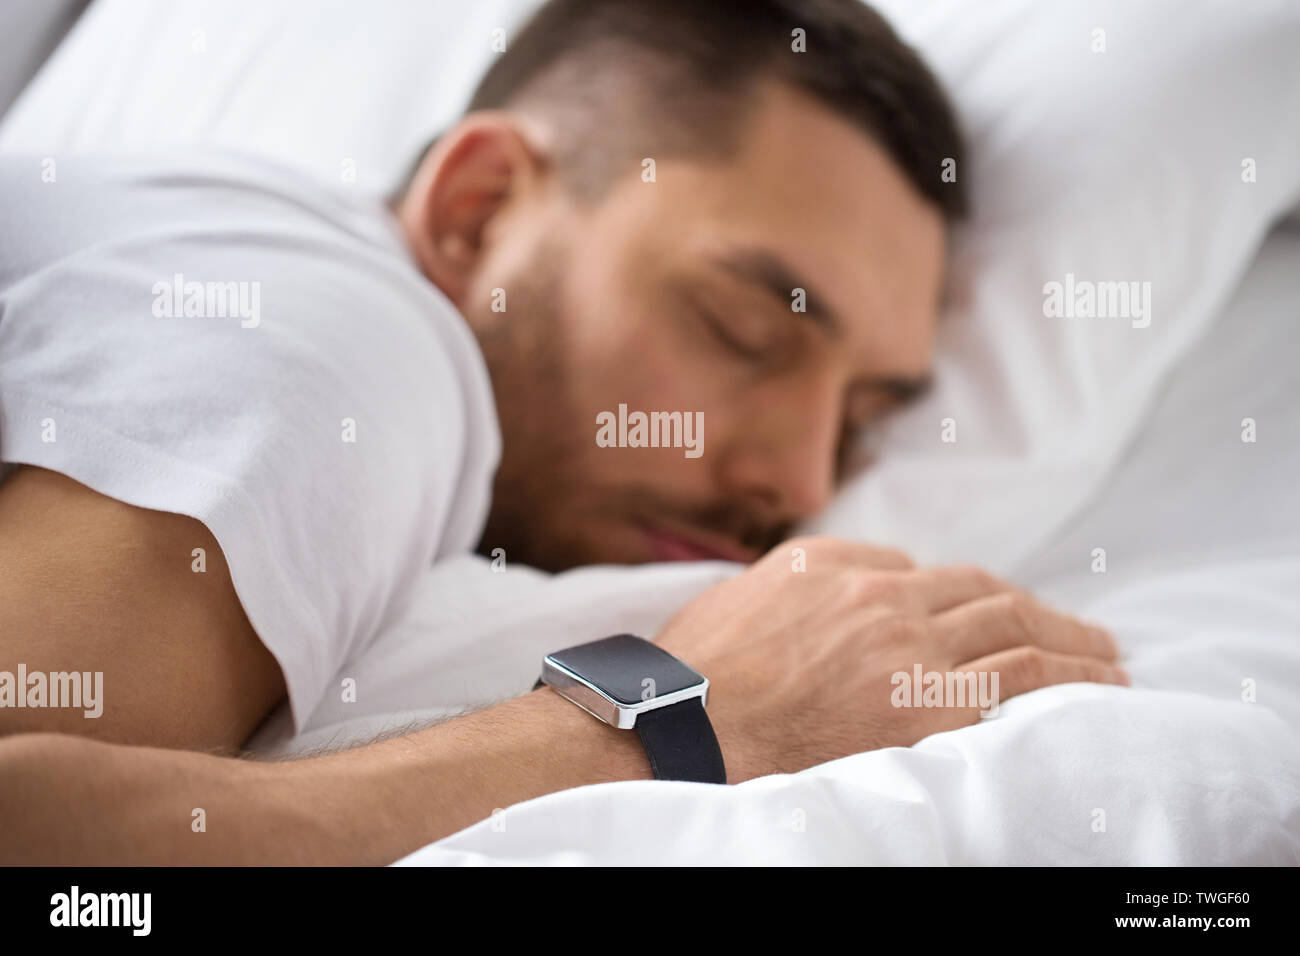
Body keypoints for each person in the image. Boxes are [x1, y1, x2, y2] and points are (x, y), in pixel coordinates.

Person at [0, 0, 1126, 864]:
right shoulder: (336, 350)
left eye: (864, 417)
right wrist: (692, 717)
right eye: (741, 327)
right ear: (480, 207)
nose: (795, 478)